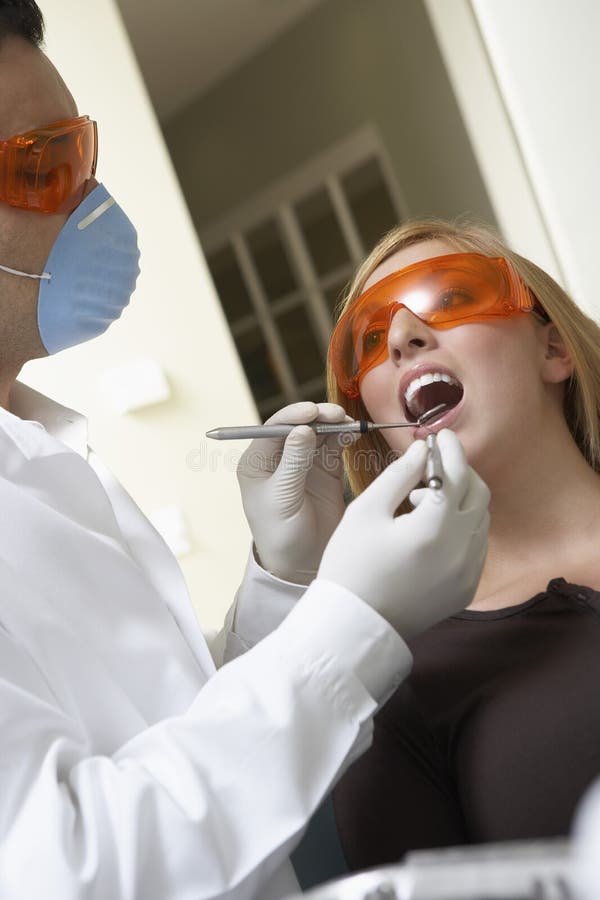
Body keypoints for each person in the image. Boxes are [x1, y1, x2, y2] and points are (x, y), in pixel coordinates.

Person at [0, 5, 490, 898]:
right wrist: (354, 622)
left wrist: (284, 583)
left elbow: (176, 731)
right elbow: (70, 869)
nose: (89, 199)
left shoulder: (40, 450)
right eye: (44, 167)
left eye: (82, 152)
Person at [312, 217, 600, 872]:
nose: (403, 339)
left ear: (553, 350)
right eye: (371, 338)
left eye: (450, 298)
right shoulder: (399, 677)